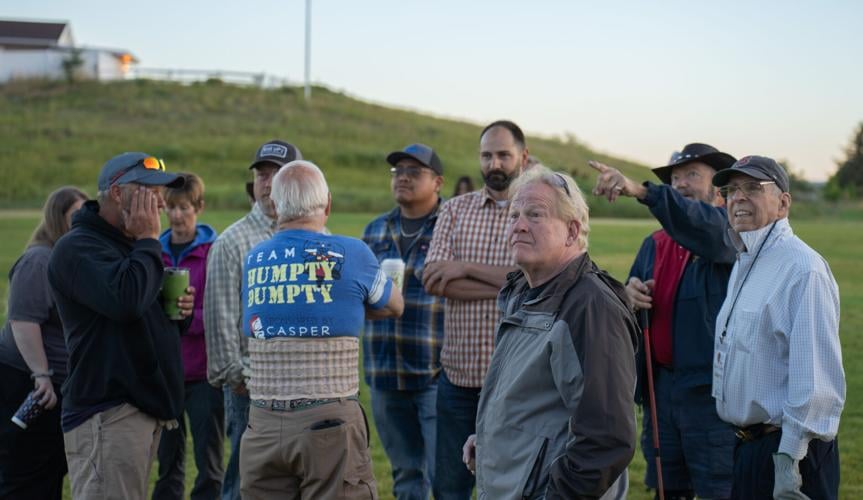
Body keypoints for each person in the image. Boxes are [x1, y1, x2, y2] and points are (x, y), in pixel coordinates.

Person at [464, 166, 637, 499]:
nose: (519, 225)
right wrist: (491, 442)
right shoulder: (525, 291)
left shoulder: (590, 307)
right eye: (514, 215)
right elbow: (536, 405)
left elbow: (606, 439)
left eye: (535, 215)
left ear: (572, 231)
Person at [238, 160, 404, 499]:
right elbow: (395, 304)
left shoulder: (254, 258)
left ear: (275, 205)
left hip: (262, 423)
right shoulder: (351, 252)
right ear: (327, 204)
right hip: (328, 424)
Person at [590, 143, 739, 500]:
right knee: (667, 487)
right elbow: (623, 310)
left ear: (719, 191)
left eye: (692, 175)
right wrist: (629, 294)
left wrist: (642, 191)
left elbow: (701, 224)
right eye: (675, 179)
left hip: (711, 395)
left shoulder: (728, 233)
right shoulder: (654, 243)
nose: (682, 184)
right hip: (662, 391)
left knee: (719, 487)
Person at [47, 153, 195, 499]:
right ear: (117, 192)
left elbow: (140, 316)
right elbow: (126, 302)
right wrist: (148, 241)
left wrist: (177, 313)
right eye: (150, 191)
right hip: (107, 415)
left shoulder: (128, 246)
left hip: (137, 411)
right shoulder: (78, 248)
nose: (160, 202)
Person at [710, 156, 844, 499]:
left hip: (790, 453)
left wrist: (789, 460)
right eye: (732, 189)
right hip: (748, 448)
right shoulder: (746, 259)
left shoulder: (802, 269)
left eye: (753, 188)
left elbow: (815, 380)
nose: (738, 197)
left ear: (783, 203)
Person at [422, 119, 526, 500]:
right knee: (450, 488)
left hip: (518, 380)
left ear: (523, 157)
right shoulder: (454, 210)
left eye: (503, 155)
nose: (494, 164)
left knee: (512, 487)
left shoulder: (534, 210)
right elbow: (434, 281)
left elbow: (537, 282)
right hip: (459, 379)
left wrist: (463, 268)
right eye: (487, 155)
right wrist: (508, 281)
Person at [204, 139, 302, 500]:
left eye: (277, 174)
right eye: (262, 174)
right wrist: (240, 379)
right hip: (251, 388)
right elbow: (221, 325)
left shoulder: (316, 238)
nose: (267, 182)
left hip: (302, 385)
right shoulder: (233, 243)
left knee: (295, 481)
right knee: (246, 482)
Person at [362, 143, 446, 500]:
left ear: (438, 182)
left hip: (436, 374)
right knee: (405, 475)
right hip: (385, 373)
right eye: (398, 172)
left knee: (445, 476)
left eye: (414, 172)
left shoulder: (450, 226)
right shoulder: (376, 230)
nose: (403, 178)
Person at [0, 186, 87, 499]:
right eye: (75, 216)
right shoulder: (38, 260)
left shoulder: (65, 258)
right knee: (27, 472)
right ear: (57, 220)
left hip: (55, 385)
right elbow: (23, 322)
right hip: (29, 384)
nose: (82, 222)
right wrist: (41, 375)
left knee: (49, 469)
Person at [153, 173, 224, 500]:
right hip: (165, 373)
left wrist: (182, 319)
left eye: (183, 207)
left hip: (203, 375)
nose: (176, 216)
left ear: (199, 207)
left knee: (209, 462)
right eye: (171, 207)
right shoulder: (154, 251)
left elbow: (219, 312)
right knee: (167, 461)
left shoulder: (215, 252)